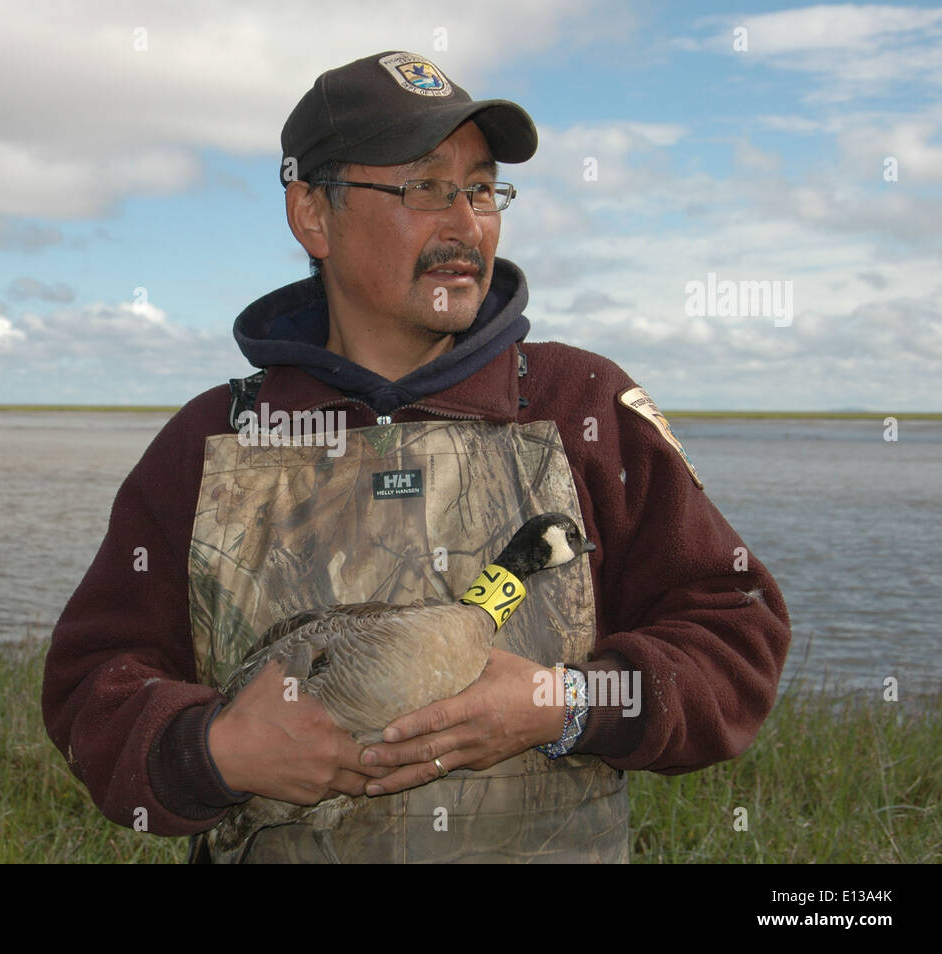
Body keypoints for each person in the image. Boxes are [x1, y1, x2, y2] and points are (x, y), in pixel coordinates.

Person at [42, 51, 791, 863]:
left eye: (480, 189)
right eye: (423, 188)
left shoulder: (583, 406)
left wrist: (569, 701)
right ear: (312, 214)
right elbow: (93, 686)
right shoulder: (213, 441)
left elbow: (737, 635)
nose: (467, 223)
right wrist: (214, 751)